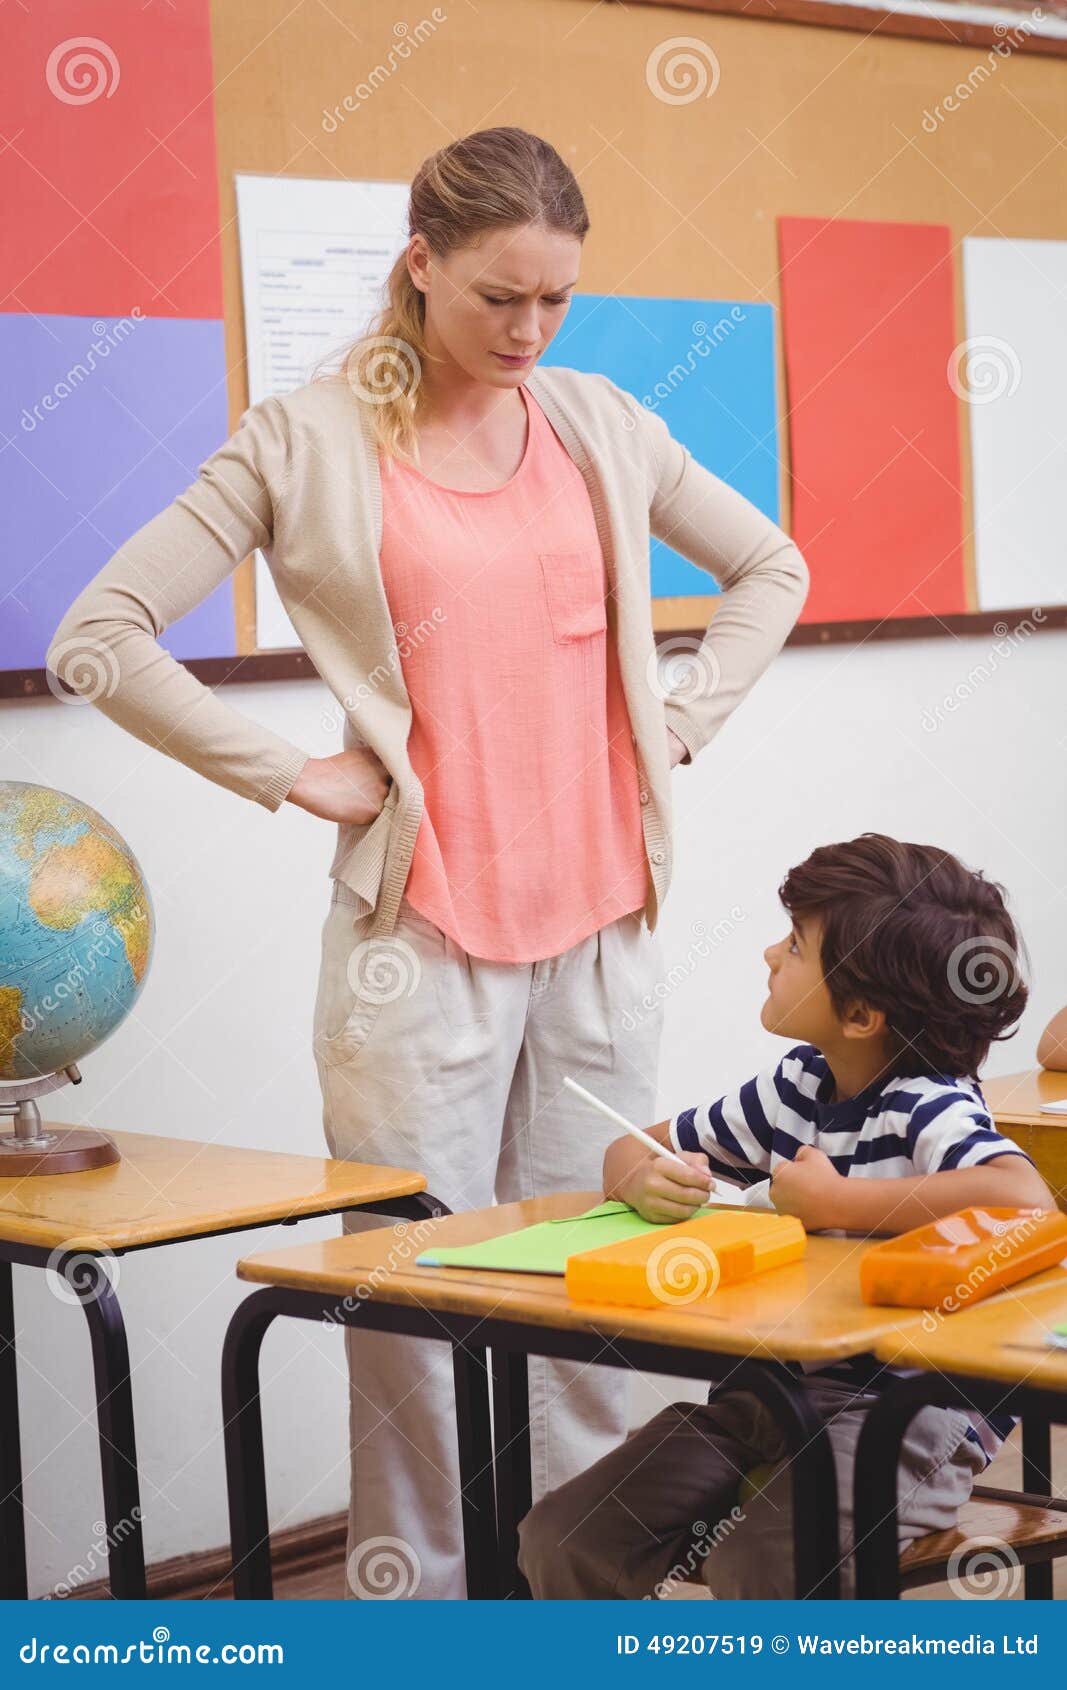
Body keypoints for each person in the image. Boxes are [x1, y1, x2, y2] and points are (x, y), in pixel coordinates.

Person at [45, 126, 809, 1599]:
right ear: (420, 266)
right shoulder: (303, 438)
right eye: (496, 297)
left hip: (600, 934)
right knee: (414, 1311)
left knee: (589, 1307)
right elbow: (102, 635)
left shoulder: (596, 422)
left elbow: (768, 567)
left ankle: (576, 1608)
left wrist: (675, 726)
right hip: (422, 946)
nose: (529, 331)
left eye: (555, 299)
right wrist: (289, 774)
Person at [517, 832, 1055, 1600]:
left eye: (796, 945)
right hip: (768, 1399)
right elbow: (631, 1145)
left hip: (911, 1417)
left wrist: (837, 1203)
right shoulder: (795, 1084)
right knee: (565, 1538)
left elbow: (1023, 1199)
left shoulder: (927, 1102)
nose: (770, 954)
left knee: (764, 1560)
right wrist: (641, 1179)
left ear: (860, 1013)